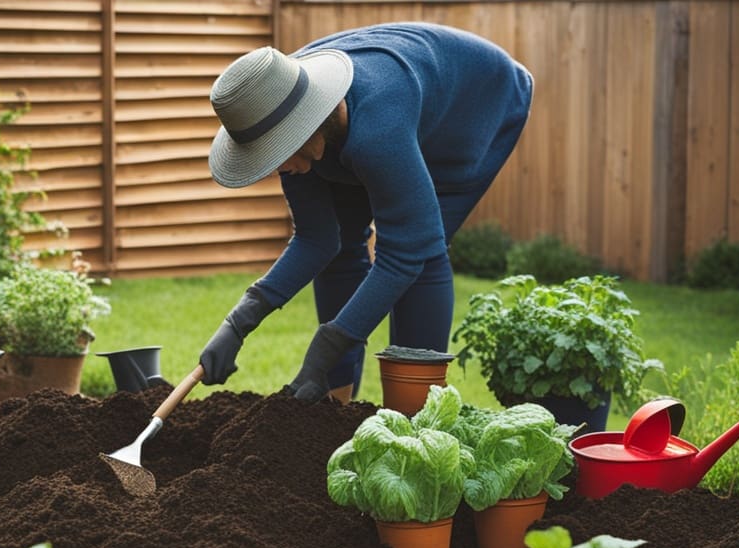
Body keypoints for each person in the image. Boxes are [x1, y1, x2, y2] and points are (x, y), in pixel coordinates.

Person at [198, 22, 533, 403]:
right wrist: (239, 321)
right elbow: (317, 240)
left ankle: (411, 426)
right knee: (340, 251)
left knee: (421, 251)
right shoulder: (279, 104)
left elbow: (404, 254)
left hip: (475, 105)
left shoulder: (377, 127)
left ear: (299, 132)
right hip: (376, 115)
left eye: (272, 153)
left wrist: (329, 344)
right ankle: (330, 413)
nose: (273, 169)